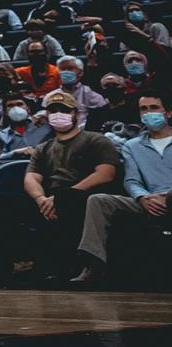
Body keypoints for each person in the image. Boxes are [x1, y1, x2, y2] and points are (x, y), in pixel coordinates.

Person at [71, 93, 172, 284]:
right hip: (148, 200)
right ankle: (93, 264)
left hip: (170, 195)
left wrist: (167, 195)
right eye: (144, 109)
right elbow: (132, 180)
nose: (148, 113)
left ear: (168, 112)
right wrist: (142, 197)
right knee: (98, 200)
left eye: (154, 108)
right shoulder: (132, 146)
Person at [23, 90, 124, 274]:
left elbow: (106, 173)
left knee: (69, 203)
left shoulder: (95, 140)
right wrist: (41, 199)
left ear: (75, 114)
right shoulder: (43, 148)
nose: (57, 115)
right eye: (52, 111)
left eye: (64, 110)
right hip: (50, 199)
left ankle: (76, 267)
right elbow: (31, 177)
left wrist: (65, 196)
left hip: (84, 195)